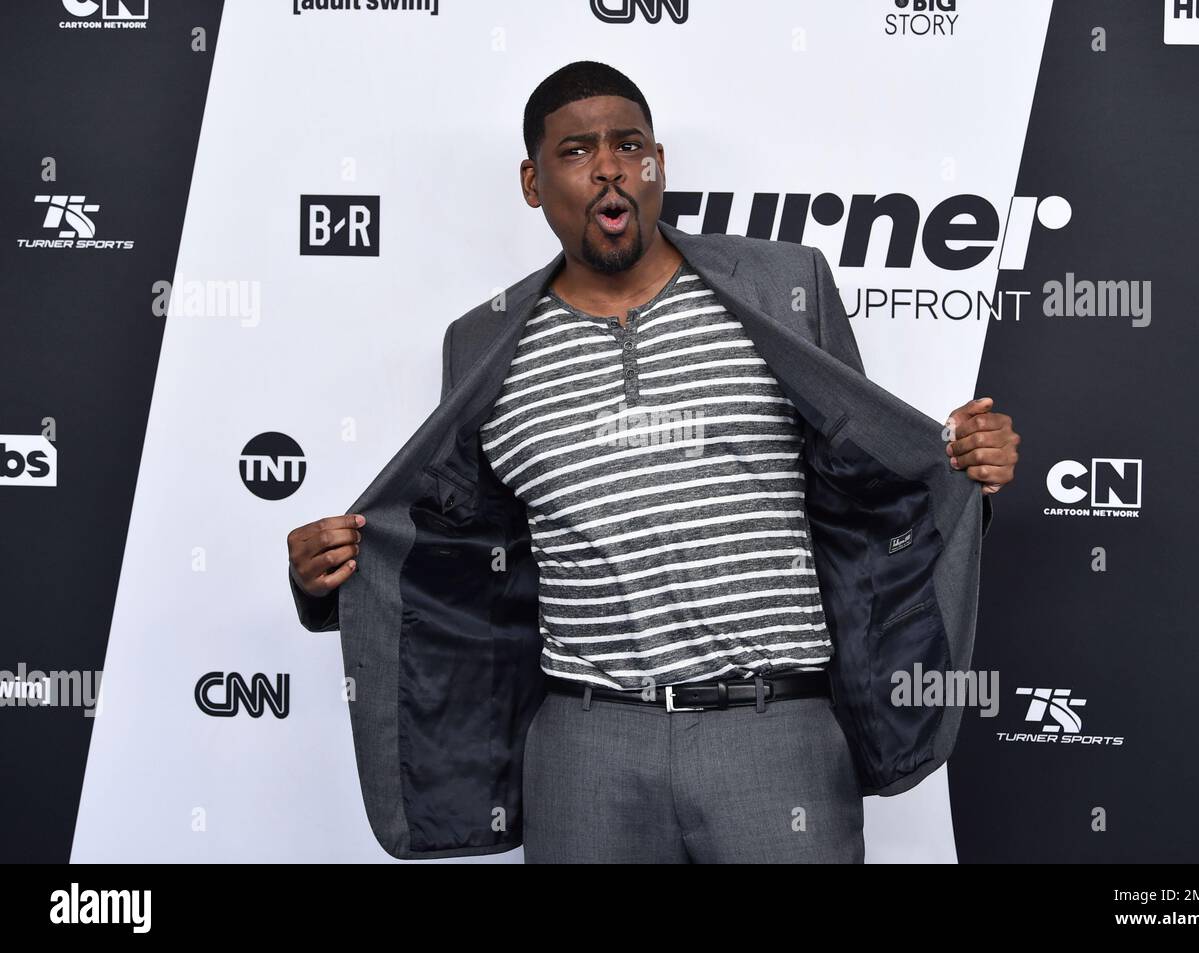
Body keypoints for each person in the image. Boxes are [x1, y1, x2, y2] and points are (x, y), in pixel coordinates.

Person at [287, 61, 1019, 863]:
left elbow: (862, 481)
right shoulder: (480, 343)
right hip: (584, 747)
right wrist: (334, 577)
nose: (609, 167)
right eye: (576, 151)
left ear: (656, 164)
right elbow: (462, 549)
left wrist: (957, 468)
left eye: (628, 145)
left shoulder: (782, 287)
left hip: (774, 736)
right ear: (533, 182)